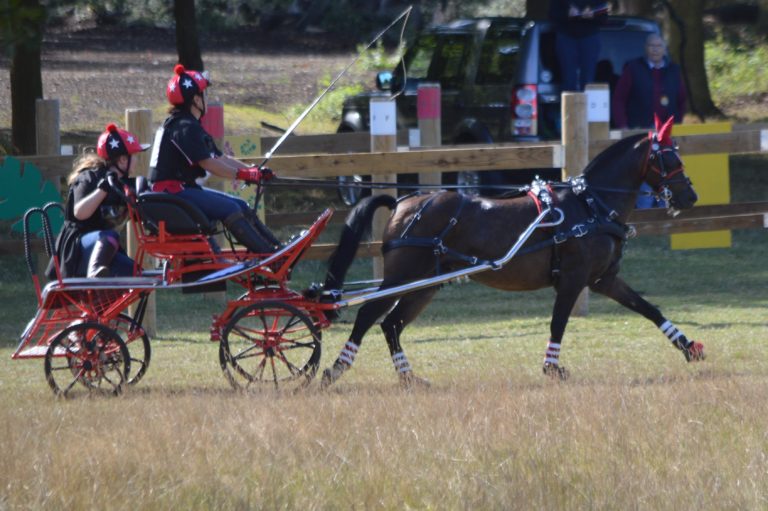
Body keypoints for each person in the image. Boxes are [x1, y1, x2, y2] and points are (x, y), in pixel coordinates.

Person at [148, 64, 280, 254]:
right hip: (173, 194)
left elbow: (219, 157)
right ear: (196, 99)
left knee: (241, 205)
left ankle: (275, 249)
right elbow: (209, 163)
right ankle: (268, 255)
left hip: (178, 192)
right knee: (230, 208)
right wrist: (244, 175)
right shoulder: (184, 127)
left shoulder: (184, 123)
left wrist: (254, 171)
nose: (206, 98)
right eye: (204, 94)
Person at [47, 124, 150, 279]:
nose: (136, 160)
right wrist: (103, 189)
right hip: (77, 249)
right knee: (109, 236)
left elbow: (142, 217)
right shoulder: (89, 177)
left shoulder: (125, 185)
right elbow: (80, 213)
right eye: (134, 155)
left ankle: (100, 288)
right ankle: (94, 275)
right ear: (123, 160)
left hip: (107, 251)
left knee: (139, 278)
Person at [612, 34, 688, 208]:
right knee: (646, 175)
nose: (655, 49)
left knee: (667, 171)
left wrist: (676, 124)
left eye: (659, 46)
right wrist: (623, 126)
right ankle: (644, 213)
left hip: (667, 136)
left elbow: (682, 100)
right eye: (651, 46)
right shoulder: (632, 68)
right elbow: (619, 99)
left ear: (665, 49)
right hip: (641, 134)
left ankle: (664, 211)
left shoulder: (674, 70)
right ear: (645, 48)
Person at [549, 0, 610, 92]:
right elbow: (552, 14)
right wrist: (567, 13)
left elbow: (604, 17)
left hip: (589, 36)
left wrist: (592, 15)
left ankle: (587, 99)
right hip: (566, 36)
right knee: (569, 79)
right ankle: (570, 100)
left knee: (587, 79)